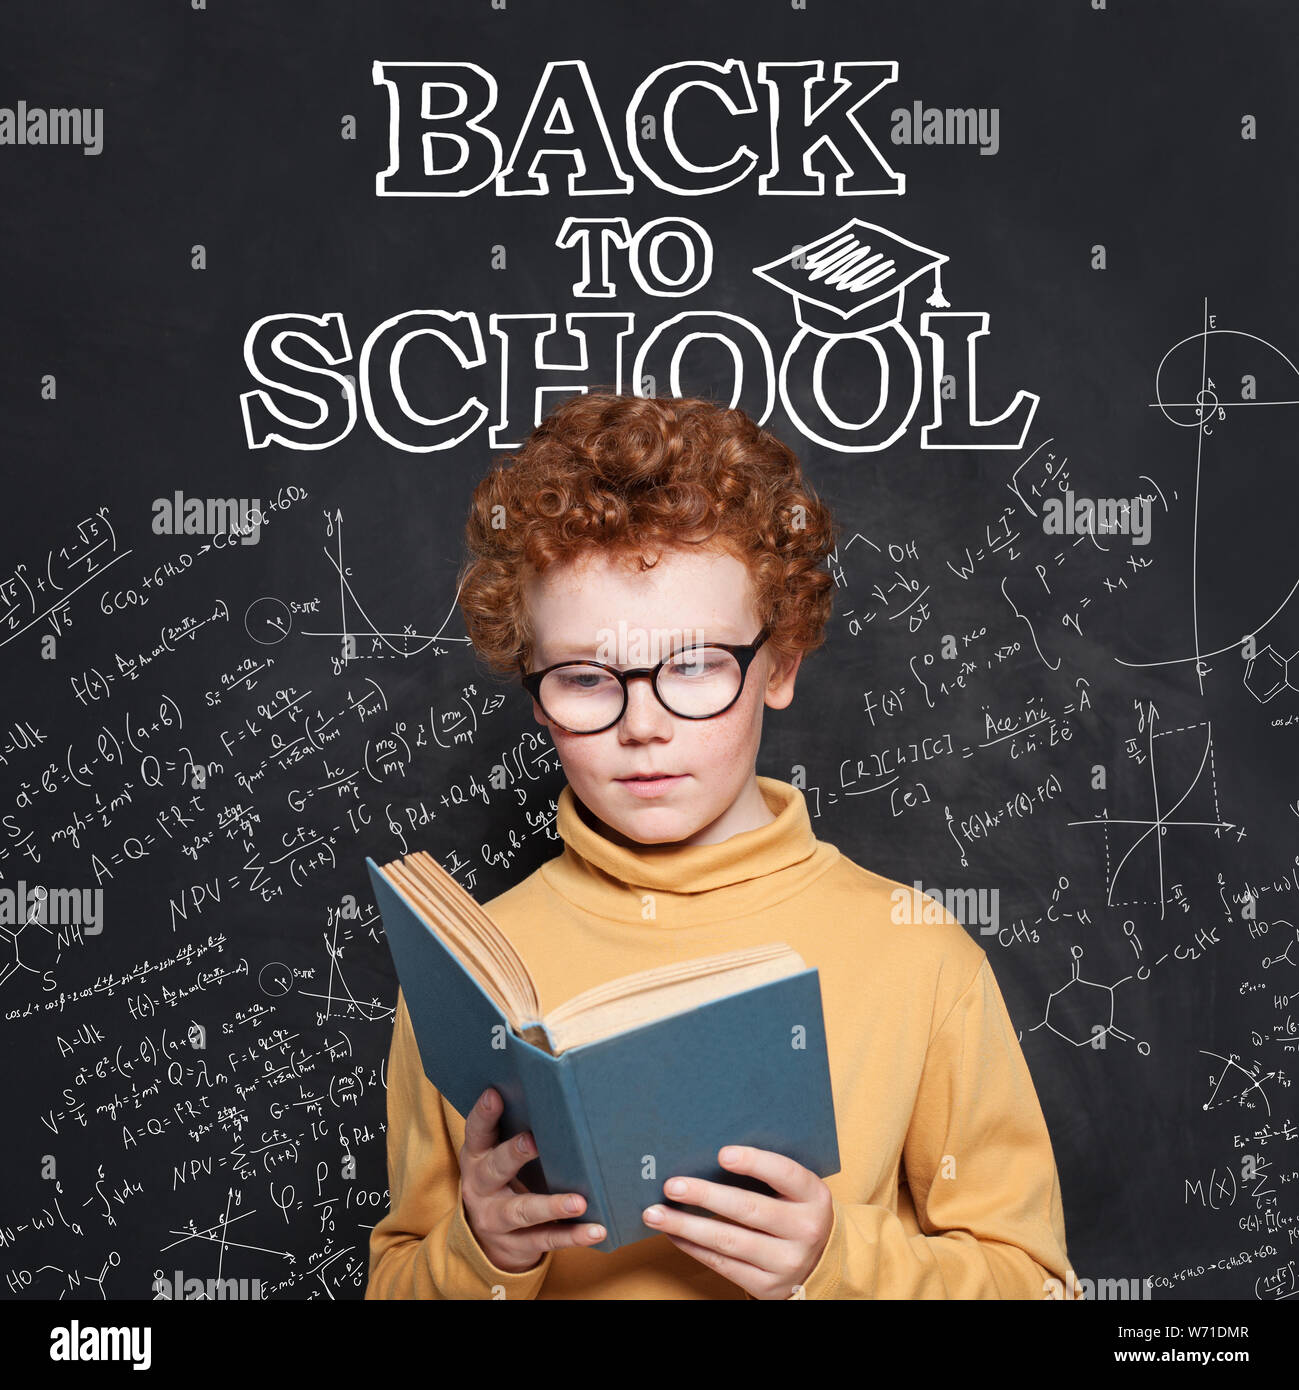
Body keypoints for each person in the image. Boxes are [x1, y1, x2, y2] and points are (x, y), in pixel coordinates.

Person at [365, 391, 1082, 1300]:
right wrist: (484, 1250)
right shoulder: (468, 973)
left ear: (777, 662)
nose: (644, 725)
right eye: (585, 678)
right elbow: (394, 1278)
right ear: (533, 684)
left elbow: (1037, 1284)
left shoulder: (918, 952)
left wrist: (833, 1264)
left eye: (695, 665)